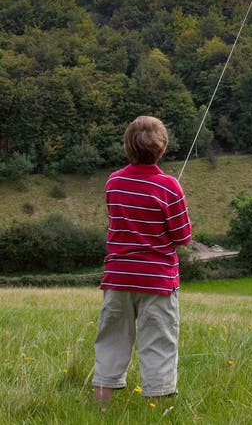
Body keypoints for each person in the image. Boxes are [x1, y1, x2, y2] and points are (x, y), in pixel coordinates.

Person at [92, 115, 192, 406]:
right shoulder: (170, 187)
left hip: (119, 277)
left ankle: (102, 406)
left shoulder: (114, 182)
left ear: (127, 147)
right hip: (158, 281)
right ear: (162, 150)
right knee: (159, 343)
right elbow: (183, 236)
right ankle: (156, 408)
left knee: (111, 339)